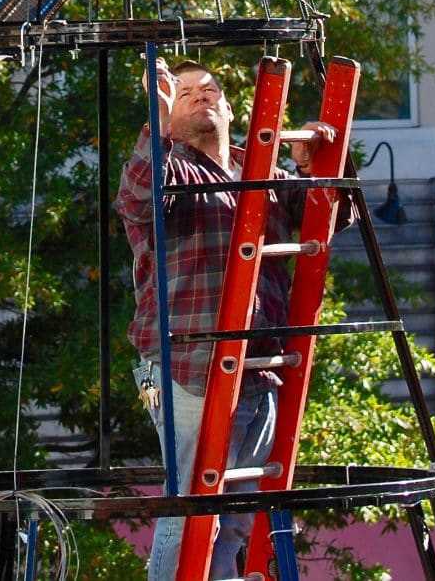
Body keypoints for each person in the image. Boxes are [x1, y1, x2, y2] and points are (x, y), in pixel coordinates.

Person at [113, 58, 344, 581]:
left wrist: (317, 165)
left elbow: (330, 219)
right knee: (194, 508)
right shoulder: (170, 168)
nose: (200, 96)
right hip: (188, 364)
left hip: (260, 366)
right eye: (185, 92)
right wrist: (155, 112)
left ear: (232, 107)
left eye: (210, 88)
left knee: (236, 518)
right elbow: (140, 195)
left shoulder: (257, 172)